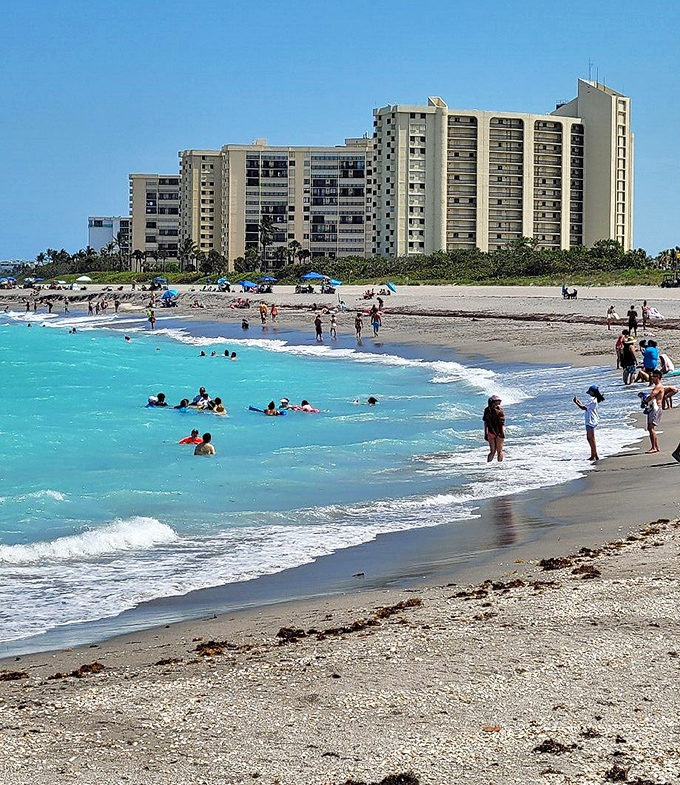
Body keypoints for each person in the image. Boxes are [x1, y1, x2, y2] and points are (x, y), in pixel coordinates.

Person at [573, 385, 604, 461]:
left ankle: (594, 455)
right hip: (592, 419)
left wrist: (576, 402)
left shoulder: (592, 400)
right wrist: (578, 401)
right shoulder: (594, 399)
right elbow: (585, 406)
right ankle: (594, 454)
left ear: (592, 392)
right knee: (590, 438)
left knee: (590, 438)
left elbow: (583, 408)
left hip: (590, 420)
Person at [642, 371, 664, 453]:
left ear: (658, 377)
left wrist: (645, 401)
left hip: (656, 408)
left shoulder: (658, 387)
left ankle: (654, 447)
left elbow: (652, 396)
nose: (652, 378)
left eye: (654, 377)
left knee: (651, 427)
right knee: (650, 427)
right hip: (655, 408)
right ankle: (656, 447)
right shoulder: (658, 387)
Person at [482, 395, 505, 462]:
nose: (500, 401)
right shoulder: (499, 411)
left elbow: (485, 422)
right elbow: (501, 424)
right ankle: (499, 467)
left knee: (492, 452)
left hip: (490, 432)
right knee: (499, 451)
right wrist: (501, 433)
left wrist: (486, 433)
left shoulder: (486, 410)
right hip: (499, 431)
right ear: (495, 402)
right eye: (499, 400)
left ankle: (488, 465)